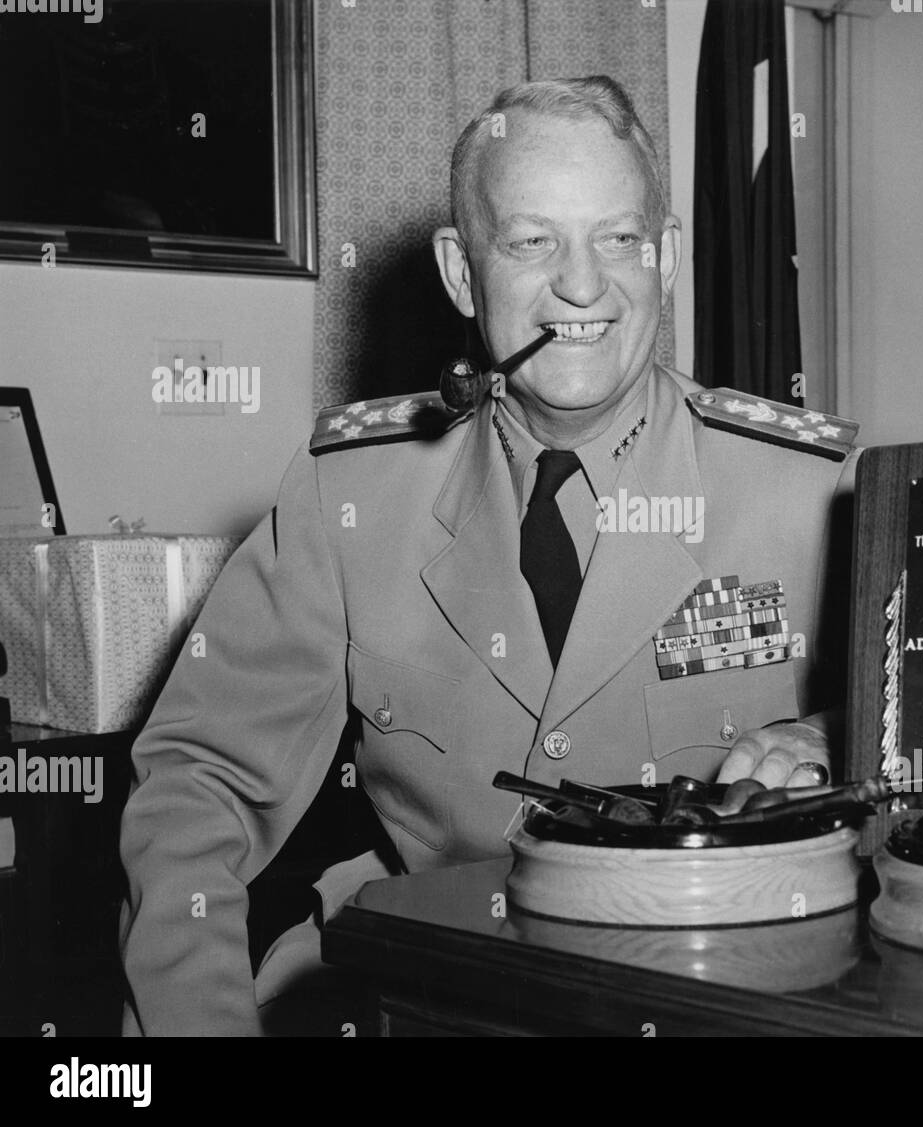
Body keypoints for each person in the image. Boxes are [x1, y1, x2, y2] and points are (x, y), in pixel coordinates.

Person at [118, 75, 861, 1036]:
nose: (583, 285)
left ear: (666, 259)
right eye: (531, 241)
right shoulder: (353, 493)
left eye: (619, 238)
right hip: (424, 1000)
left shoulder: (816, 491)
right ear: (463, 273)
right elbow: (194, 784)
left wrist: (837, 738)